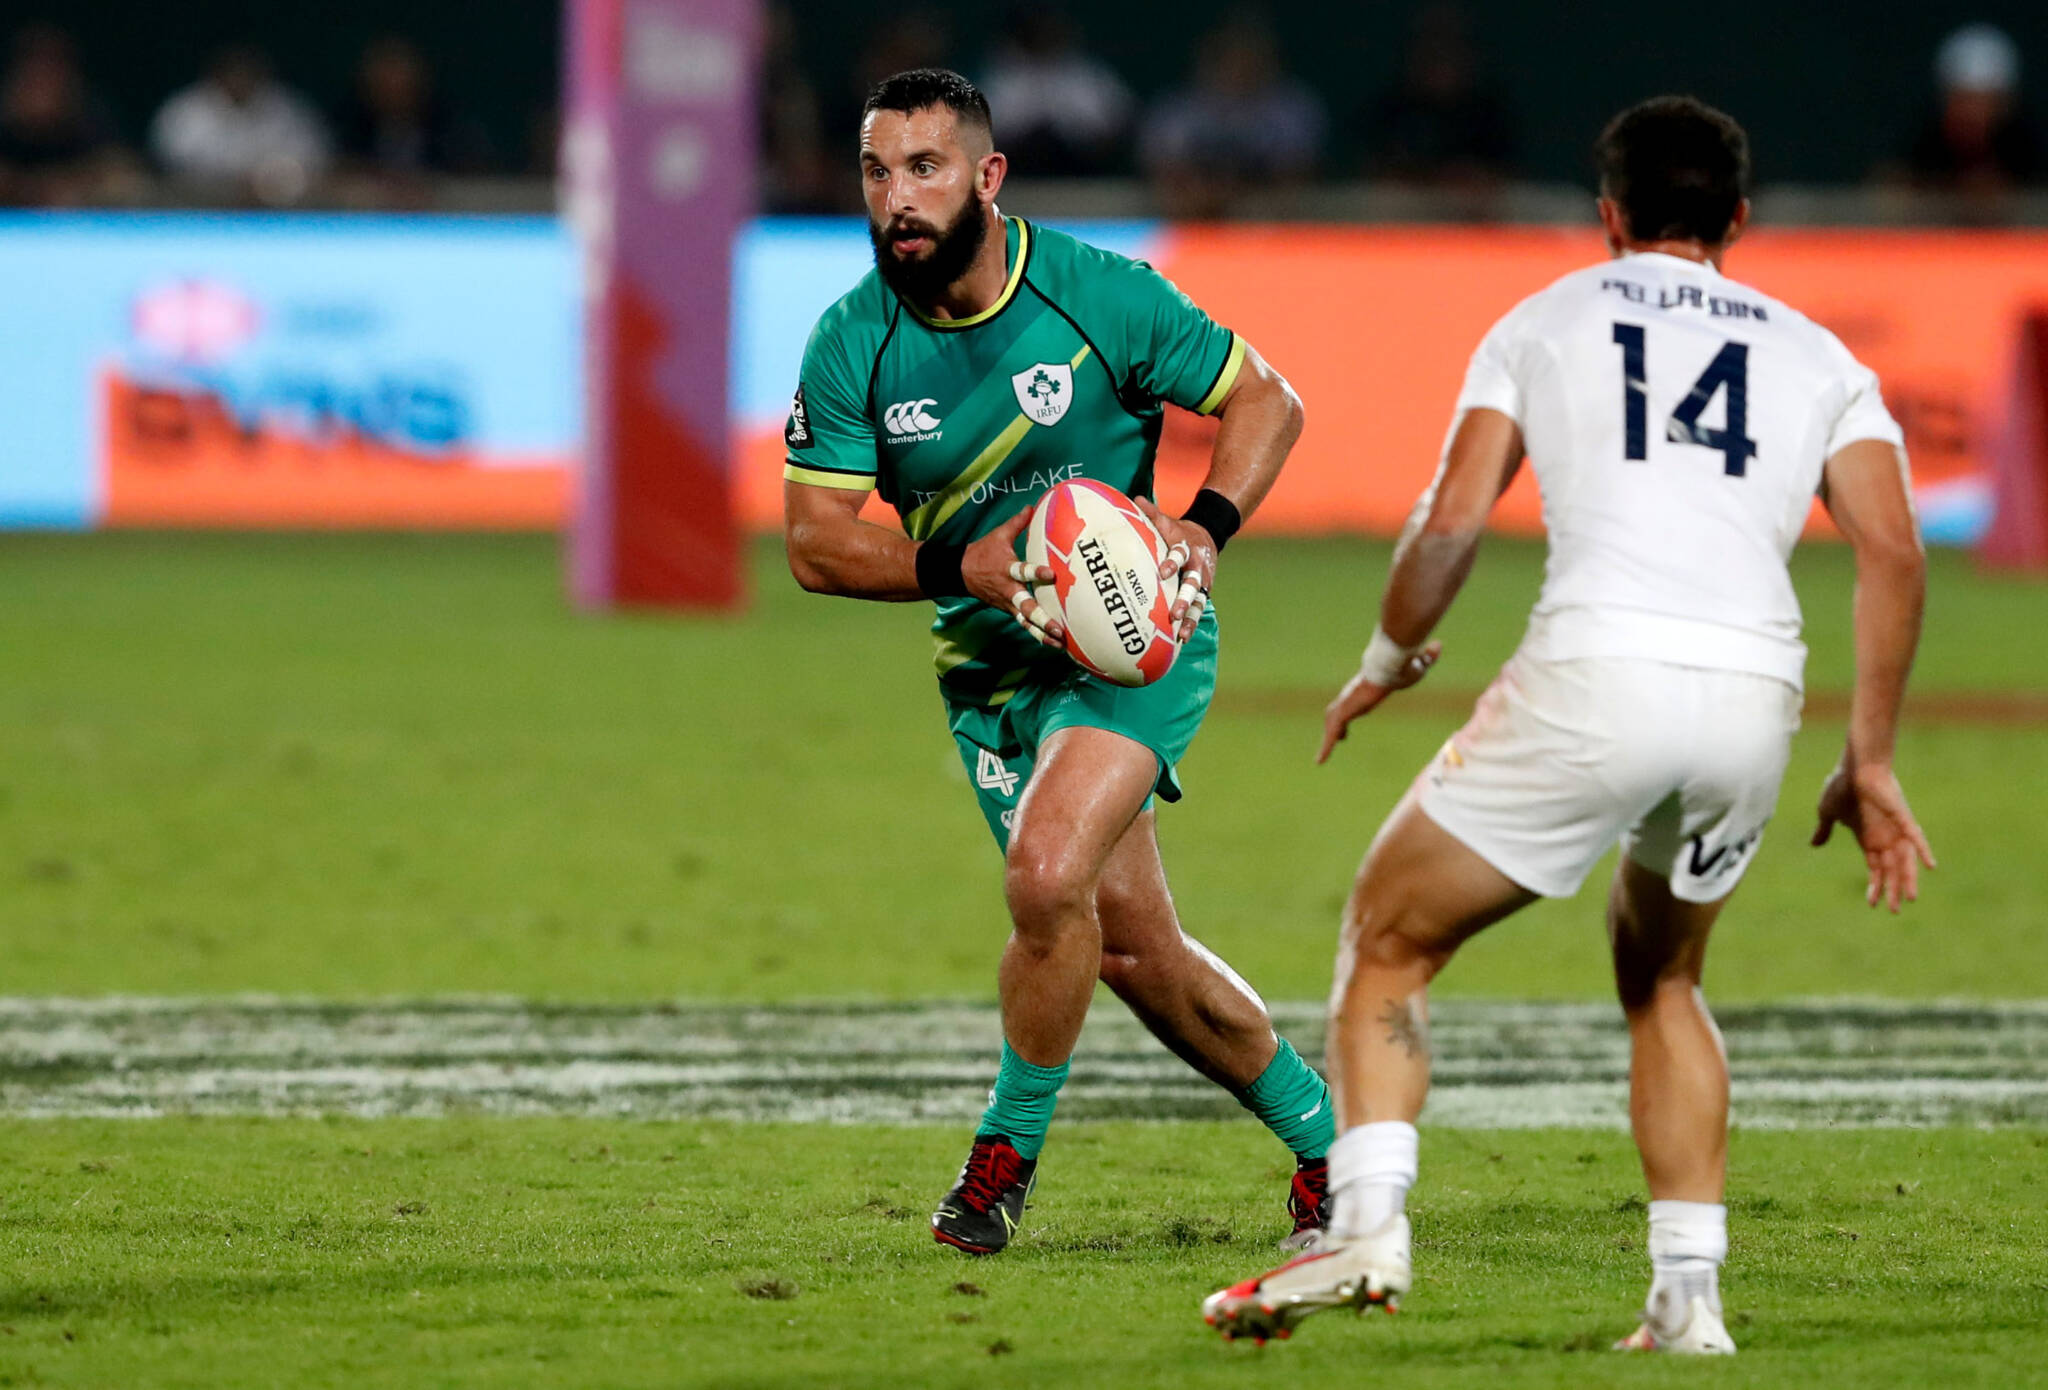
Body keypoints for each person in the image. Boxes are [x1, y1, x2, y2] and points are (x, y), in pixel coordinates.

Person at [1203, 95, 1934, 1352]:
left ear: (1605, 217)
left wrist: (1389, 656)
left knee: (1387, 937)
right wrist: (1865, 757)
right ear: (1738, 221)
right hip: (1754, 698)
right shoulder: (1821, 356)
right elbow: (1895, 551)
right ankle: (1687, 1300)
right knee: (1664, 978)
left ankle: (1365, 1229)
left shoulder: (1545, 320)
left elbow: (1448, 521)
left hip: (1596, 678)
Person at [782, 68, 1334, 1255]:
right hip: (990, 678)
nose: (896, 202)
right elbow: (816, 546)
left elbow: (1267, 402)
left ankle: (1000, 1162)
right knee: (1134, 952)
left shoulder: (1096, 294)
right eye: (876, 174)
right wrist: (962, 567)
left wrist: (1206, 523)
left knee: (1042, 879)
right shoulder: (850, 341)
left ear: (986, 178)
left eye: (924, 170)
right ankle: (1329, 1143)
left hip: (1126, 648)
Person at [1139, 12, 1324, 218]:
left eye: (1251, 56)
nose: (1241, 65)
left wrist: (1245, 203)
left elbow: (1297, 178)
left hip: (1269, 224)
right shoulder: (1177, 111)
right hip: (1190, 221)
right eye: (1231, 55)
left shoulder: (1292, 109)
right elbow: (1164, 175)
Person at [150, 44, 329, 205]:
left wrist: (268, 177)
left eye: (248, 73)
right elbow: (173, 163)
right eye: (235, 73)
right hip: (201, 201)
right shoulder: (186, 110)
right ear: (218, 75)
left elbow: (312, 159)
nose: (241, 79)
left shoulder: (287, 107)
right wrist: (234, 181)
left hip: (275, 199)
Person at [978, 5, 1134, 177]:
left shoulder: (1087, 76)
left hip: (1082, 179)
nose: (1042, 35)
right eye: (1035, 28)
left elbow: (1115, 129)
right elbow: (985, 136)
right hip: (1014, 180)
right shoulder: (1000, 76)